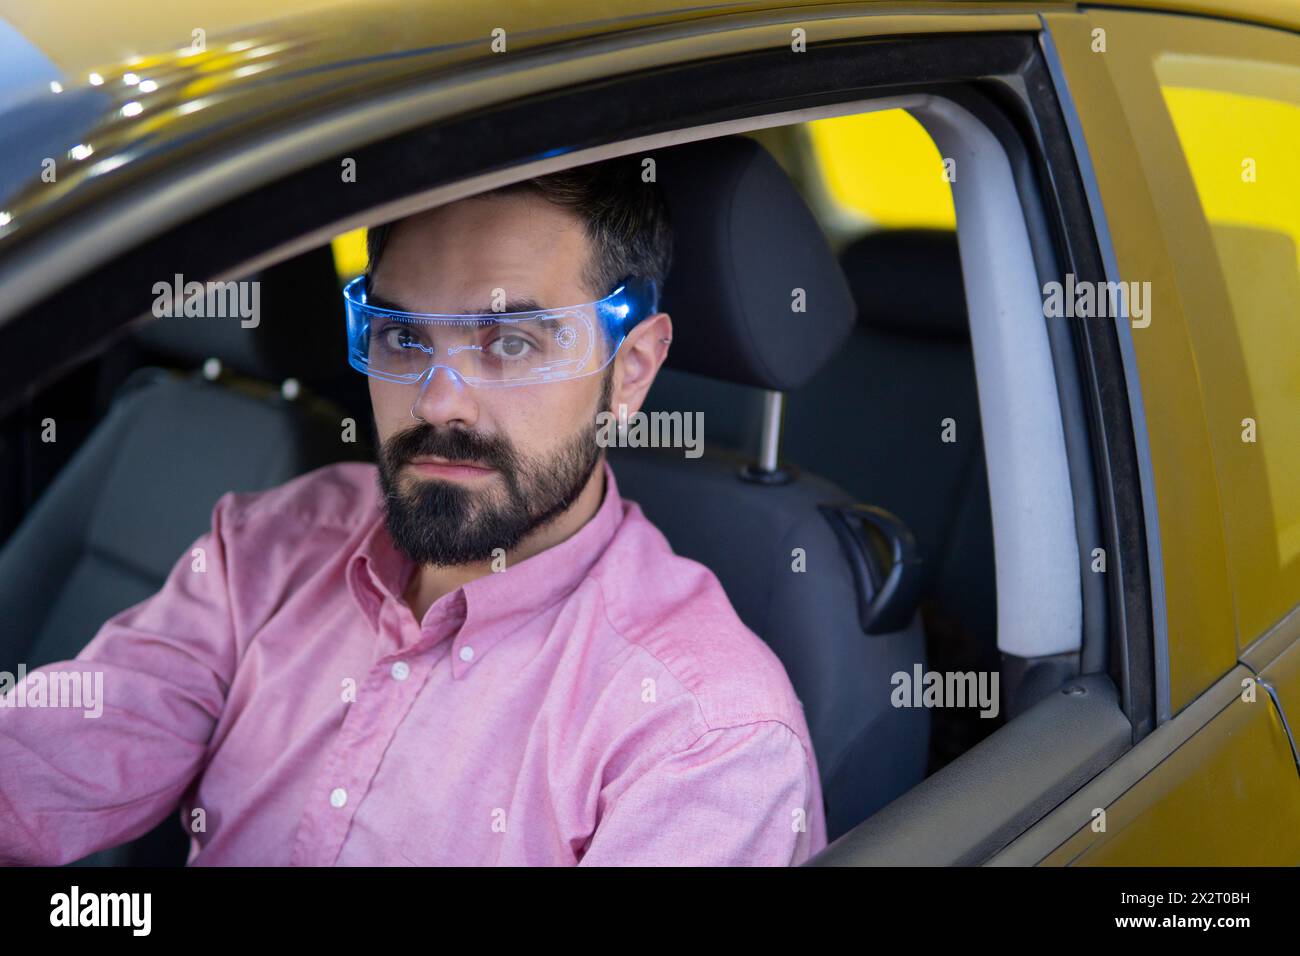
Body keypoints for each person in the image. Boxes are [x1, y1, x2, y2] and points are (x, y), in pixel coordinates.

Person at [0, 156, 827, 865]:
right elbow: (53, 754)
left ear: (633, 371)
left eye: (509, 343)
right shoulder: (276, 541)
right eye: (402, 338)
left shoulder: (703, 737)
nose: (438, 404)